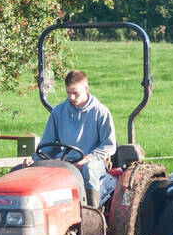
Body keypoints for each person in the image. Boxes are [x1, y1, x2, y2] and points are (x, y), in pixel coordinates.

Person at [24, 69, 117, 207]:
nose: (72, 98)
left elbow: (109, 146)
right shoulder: (58, 112)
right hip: (65, 160)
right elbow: (48, 145)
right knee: (32, 172)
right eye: (69, 93)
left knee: (89, 170)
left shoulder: (100, 112)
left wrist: (87, 159)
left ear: (86, 88)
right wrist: (34, 159)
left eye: (76, 93)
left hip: (93, 161)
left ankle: (91, 212)